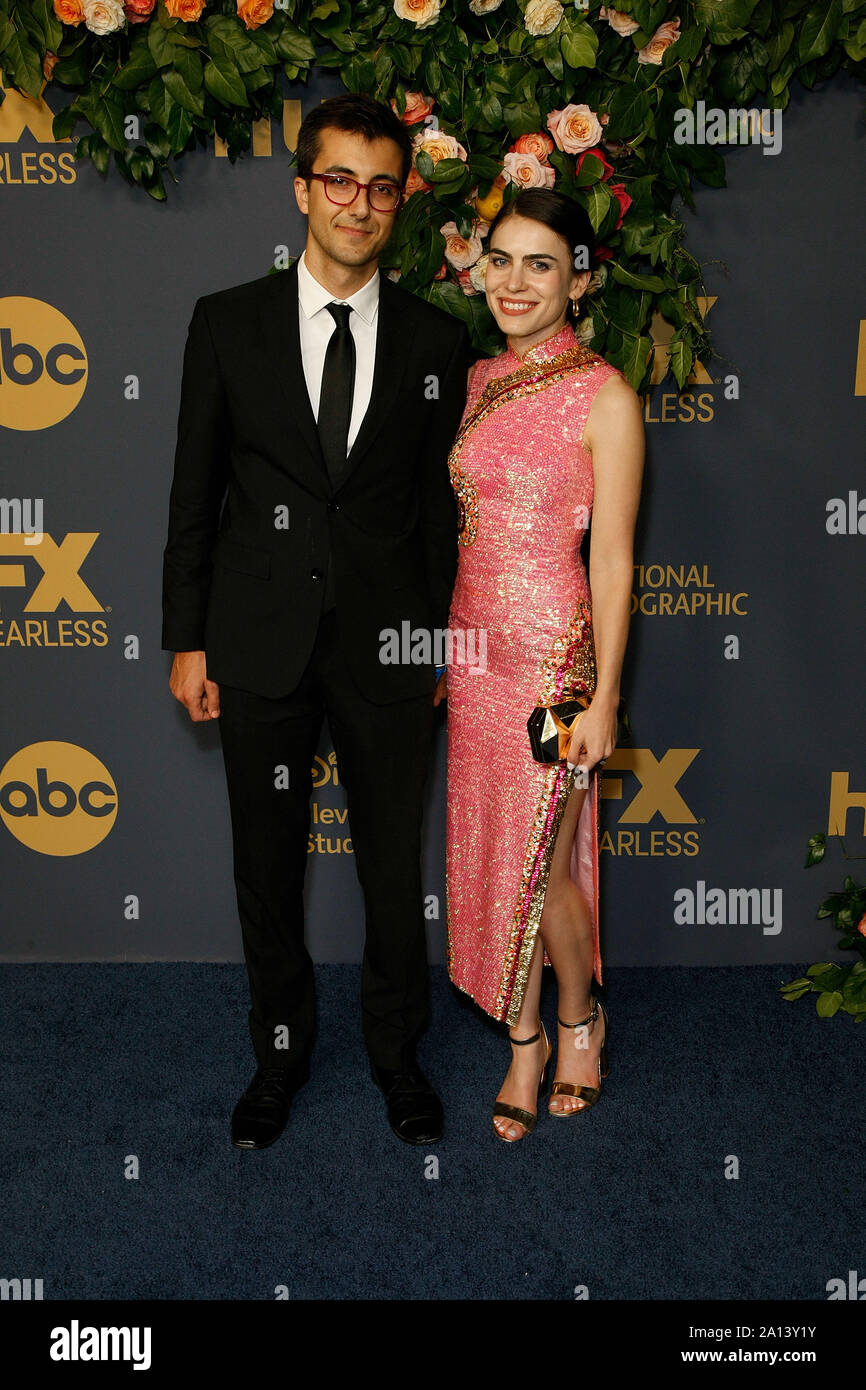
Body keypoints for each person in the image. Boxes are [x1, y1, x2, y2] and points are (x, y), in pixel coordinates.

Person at [161, 93, 474, 1150]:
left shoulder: (440, 338)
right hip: (255, 640)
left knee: (392, 864)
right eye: (337, 179)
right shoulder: (225, 322)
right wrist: (186, 637)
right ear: (302, 188)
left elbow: (442, 514)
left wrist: (434, 638)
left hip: (389, 646)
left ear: (399, 204)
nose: (358, 204)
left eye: (381, 186)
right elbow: (192, 493)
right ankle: (278, 1058)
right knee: (266, 861)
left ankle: (397, 1056)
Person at [443, 188, 644, 1142]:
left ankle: (578, 1024)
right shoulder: (481, 377)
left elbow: (611, 557)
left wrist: (605, 696)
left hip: (554, 660)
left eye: (541, 263)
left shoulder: (604, 393)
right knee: (488, 855)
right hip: (474, 649)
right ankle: (520, 1039)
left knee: (550, 865)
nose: (515, 282)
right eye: (502, 260)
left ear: (580, 278)